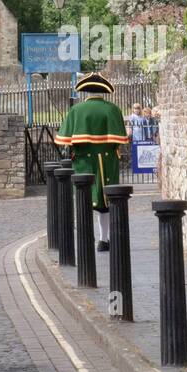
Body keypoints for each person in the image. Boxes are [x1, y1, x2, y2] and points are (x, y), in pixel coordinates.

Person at [56, 73, 127, 252]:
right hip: (107, 162)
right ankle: (105, 239)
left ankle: (86, 237)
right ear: (103, 91)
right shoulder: (112, 109)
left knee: (84, 198)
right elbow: (120, 140)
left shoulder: (76, 111)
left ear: (85, 90)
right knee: (106, 202)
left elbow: (64, 141)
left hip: (83, 162)